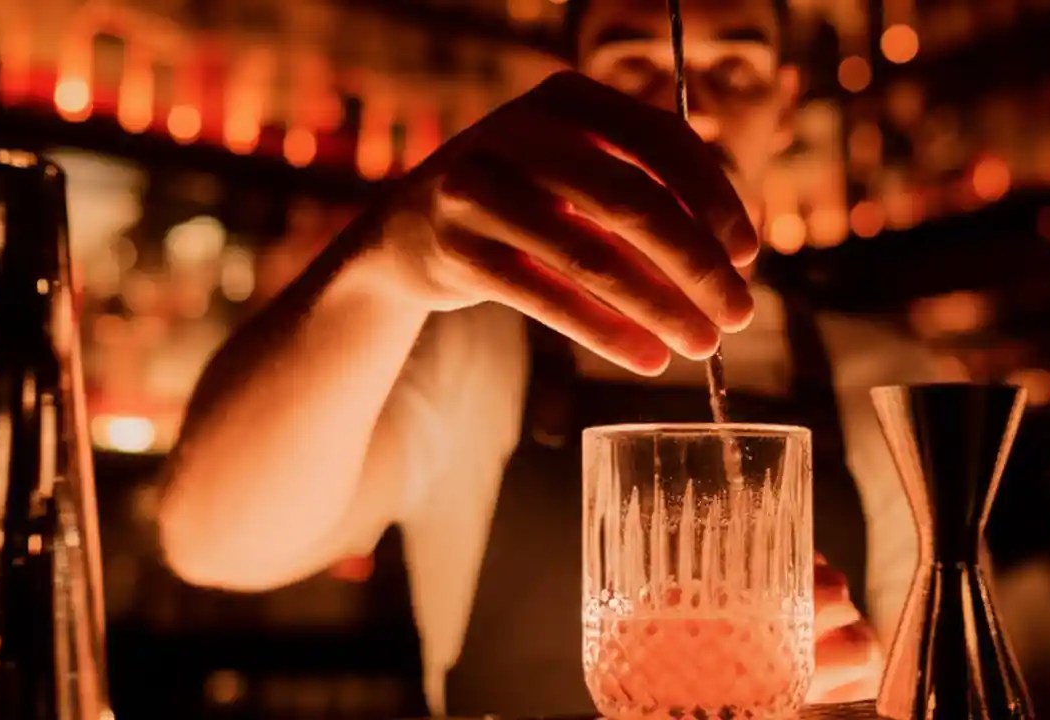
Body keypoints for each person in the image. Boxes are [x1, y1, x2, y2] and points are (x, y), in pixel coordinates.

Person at [156, 0, 947, 714]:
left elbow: (943, 680)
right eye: (633, 64)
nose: (687, 107)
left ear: (783, 102)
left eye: (731, 68)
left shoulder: (892, 378)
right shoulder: (465, 344)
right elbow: (216, 543)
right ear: (572, 92)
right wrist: (380, 268)